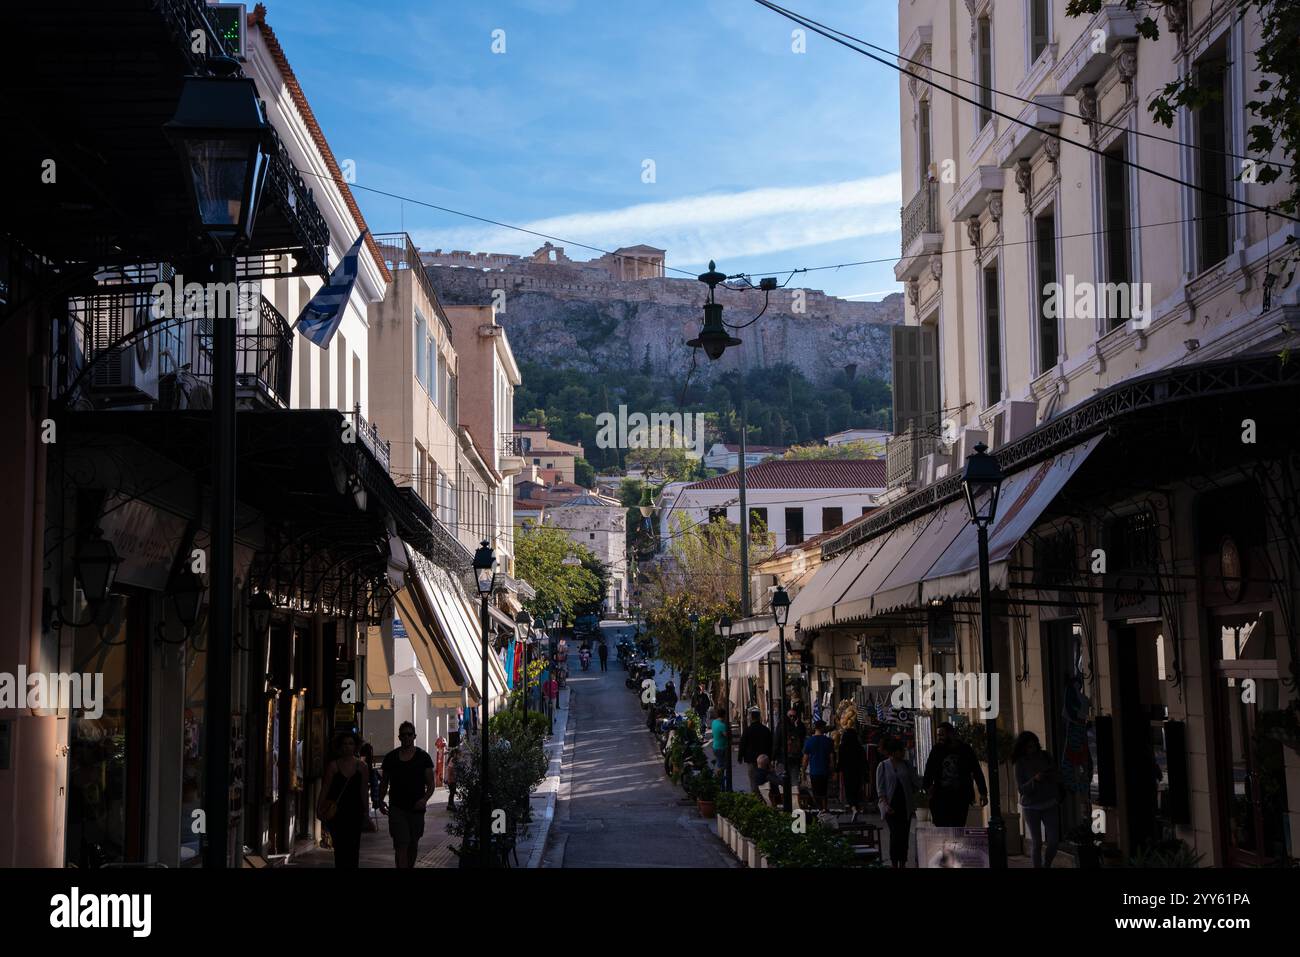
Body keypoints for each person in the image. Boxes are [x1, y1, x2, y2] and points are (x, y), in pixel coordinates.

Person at [376, 722, 436, 868]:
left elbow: (431, 784)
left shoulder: (423, 757)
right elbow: (384, 782)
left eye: (409, 734)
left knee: (413, 844)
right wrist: (380, 800)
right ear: (399, 737)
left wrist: (424, 799)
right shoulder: (391, 758)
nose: (407, 737)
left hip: (416, 809)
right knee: (401, 844)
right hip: (397, 808)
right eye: (404, 734)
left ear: (414, 736)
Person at [317, 732, 369, 869]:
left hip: (355, 813)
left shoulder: (362, 767)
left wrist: (366, 813)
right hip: (337, 814)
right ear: (340, 746)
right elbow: (325, 788)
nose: (347, 747)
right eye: (345, 743)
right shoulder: (333, 766)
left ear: (356, 746)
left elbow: (364, 791)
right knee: (339, 850)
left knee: (353, 849)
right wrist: (319, 808)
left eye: (351, 743)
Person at [922, 722, 988, 827]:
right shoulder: (937, 750)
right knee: (942, 829)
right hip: (941, 798)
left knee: (958, 828)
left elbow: (976, 771)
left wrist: (983, 792)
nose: (939, 738)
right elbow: (929, 769)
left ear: (951, 734)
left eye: (942, 734)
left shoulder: (965, 750)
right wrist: (927, 788)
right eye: (938, 735)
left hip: (960, 797)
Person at [1013, 731, 1061, 868]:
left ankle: (1047, 864)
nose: (1032, 750)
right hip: (1031, 806)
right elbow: (1021, 789)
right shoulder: (1020, 763)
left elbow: (1056, 774)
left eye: (1034, 746)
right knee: (1037, 842)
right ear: (1023, 748)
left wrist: (1050, 777)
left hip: (1049, 802)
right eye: (1028, 747)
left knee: (1053, 840)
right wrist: (1034, 780)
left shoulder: (1045, 756)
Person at [876, 737, 923, 868]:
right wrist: (885, 804)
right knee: (895, 835)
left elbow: (916, 782)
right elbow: (880, 788)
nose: (903, 753)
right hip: (890, 806)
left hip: (905, 805)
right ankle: (894, 862)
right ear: (893, 752)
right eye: (900, 751)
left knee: (904, 835)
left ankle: (903, 862)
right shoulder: (883, 766)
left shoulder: (907, 765)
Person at [737, 709, 774, 794]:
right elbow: (770, 744)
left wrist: (740, 757)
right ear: (759, 718)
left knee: (753, 779)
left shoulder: (747, 730)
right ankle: (765, 794)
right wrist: (771, 758)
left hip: (751, 759)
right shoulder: (765, 730)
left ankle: (756, 795)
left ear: (751, 718)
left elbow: (742, 744)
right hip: (764, 759)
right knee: (764, 777)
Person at [802, 720, 834, 812]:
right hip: (825, 770)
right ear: (823, 728)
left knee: (816, 792)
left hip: (814, 771)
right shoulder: (828, 741)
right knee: (824, 791)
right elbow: (831, 759)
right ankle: (824, 808)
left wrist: (803, 771)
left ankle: (820, 809)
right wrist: (833, 771)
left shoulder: (809, 741)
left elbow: (805, 759)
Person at [837, 722, 867, 821]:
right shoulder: (859, 747)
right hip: (858, 771)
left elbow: (840, 760)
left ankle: (853, 808)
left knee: (849, 790)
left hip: (847, 771)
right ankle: (856, 806)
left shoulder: (842, 747)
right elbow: (864, 761)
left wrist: (837, 770)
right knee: (856, 789)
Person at [710, 707, 729, 774]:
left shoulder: (714, 722)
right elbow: (727, 735)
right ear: (724, 715)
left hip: (715, 746)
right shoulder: (722, 725)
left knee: (720, 763)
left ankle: (720, 780)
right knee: (721, 766)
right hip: (721, 748)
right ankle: (719, 780)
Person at [445, 747, 459, 811]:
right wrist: (449, 780)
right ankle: (451, 805)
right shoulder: (453, 760)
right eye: (457, 754)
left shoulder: (452, 759)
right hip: (452, 779)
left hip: (452, 779)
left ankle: (450, 805)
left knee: (452, 792)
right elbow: (450, 769)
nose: (458, 755)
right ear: (454, 754)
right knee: (452, 792)